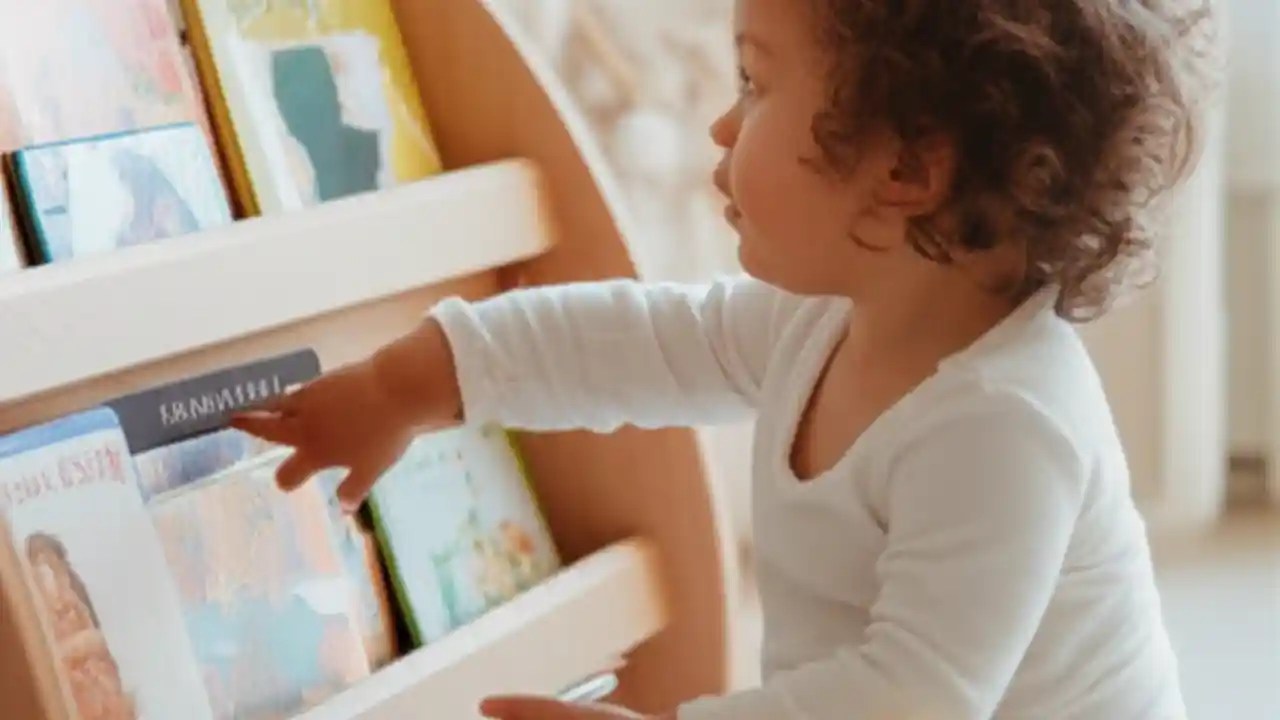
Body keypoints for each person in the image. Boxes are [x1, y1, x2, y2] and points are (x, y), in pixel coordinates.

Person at [231, 0, 1221, 717]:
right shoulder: (821, 322)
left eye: (753, 81)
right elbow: (634, 340)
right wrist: (417, 380)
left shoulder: (1004, 425)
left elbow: (908, 700)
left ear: (907, 169)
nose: (719, 120)